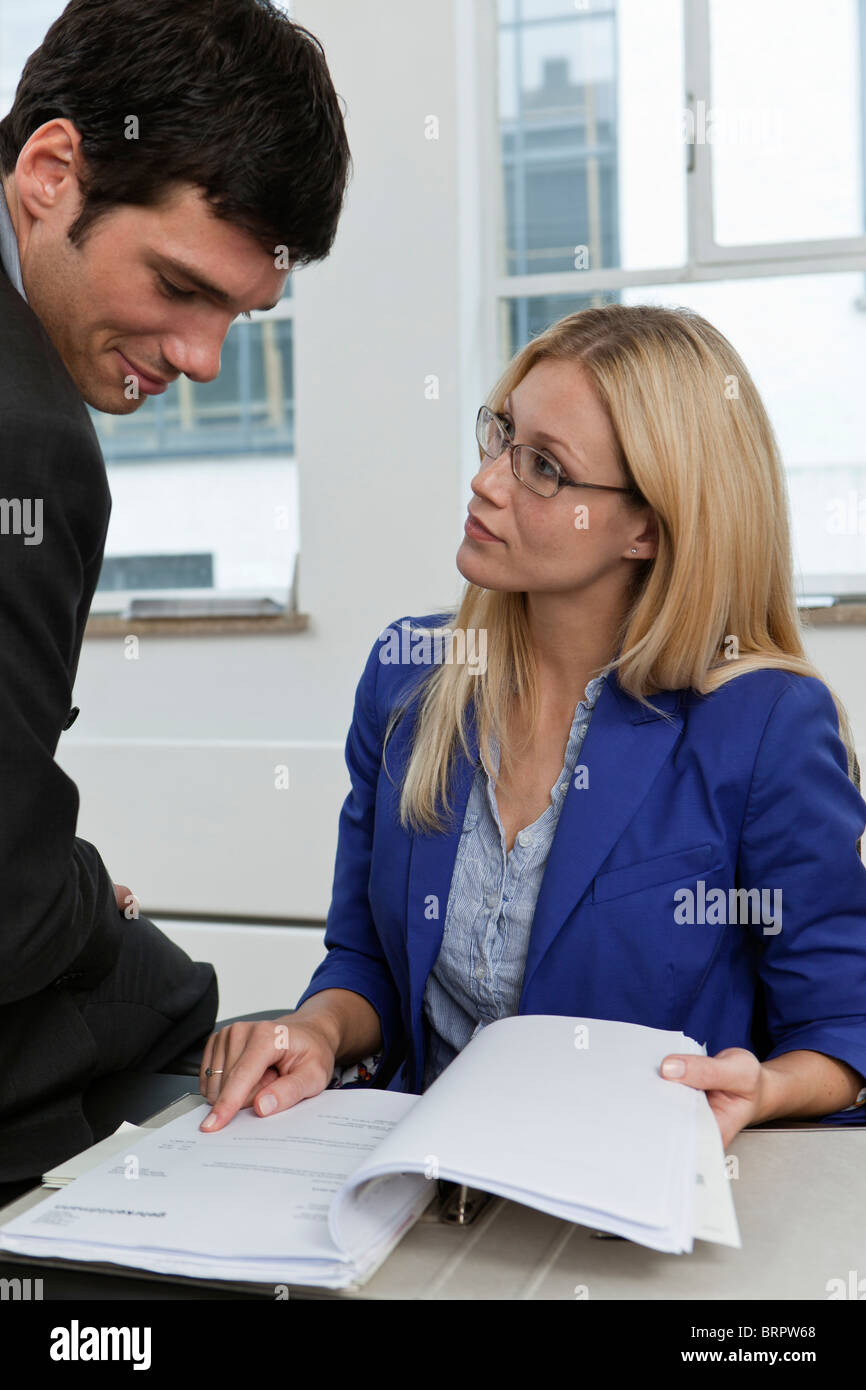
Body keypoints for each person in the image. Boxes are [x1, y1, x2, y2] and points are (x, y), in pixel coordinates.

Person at [198, 302, 866, 1150]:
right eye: (501, 433)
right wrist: (320, 1030)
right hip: (422, 1189)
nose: (489, 480)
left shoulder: (762, 723)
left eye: (544, 468)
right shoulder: (411, 676)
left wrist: (763, 1088)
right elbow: (365, 960)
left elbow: (846, 1023)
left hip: (631, 1200)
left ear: (648, 529)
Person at [0, 0, 350, 1182]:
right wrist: (82, 898)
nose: (201, 359)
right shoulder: (29, 443)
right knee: (173, 1023)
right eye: (180, 286)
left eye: (239, 318)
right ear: (53, 170)